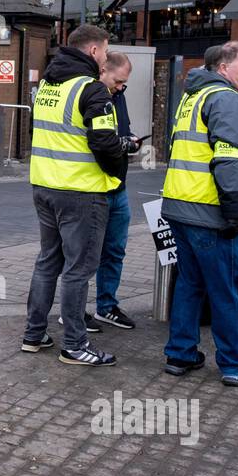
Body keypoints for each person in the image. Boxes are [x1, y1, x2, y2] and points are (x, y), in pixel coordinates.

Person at [21, 24, 127, 366]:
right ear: (94, 51)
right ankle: (75, 345)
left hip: (45, 186)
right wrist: (119, 166)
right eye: (106, 51)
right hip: (81, 191)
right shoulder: (92, 90)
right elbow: (104, 142)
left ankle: (33, 335)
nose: (106, 57)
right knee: (79, 270)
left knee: (48, 261)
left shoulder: (48, 86)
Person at [161, 41, 238, 388]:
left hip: (181, 206)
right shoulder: (227, 99)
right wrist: (234, 211)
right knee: (225, 291)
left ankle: (180, 354)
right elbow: (227, 157)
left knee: (191, 284)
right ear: (223, 68)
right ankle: (234, 363)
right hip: (212, 212)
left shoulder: (194, 96)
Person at [93, 52, 142, 330]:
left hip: (118, 186)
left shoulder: (118, 96)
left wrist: (130, 140)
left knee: (114, 251)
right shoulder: (92, 96)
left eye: (125, 83)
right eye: (118, 80)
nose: (121, 87)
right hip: (93, 187)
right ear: (102, 71)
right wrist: (122, 143)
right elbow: (97, 141)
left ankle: (106, 306)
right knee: (84, 255)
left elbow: (120, 130)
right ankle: (71, 310)